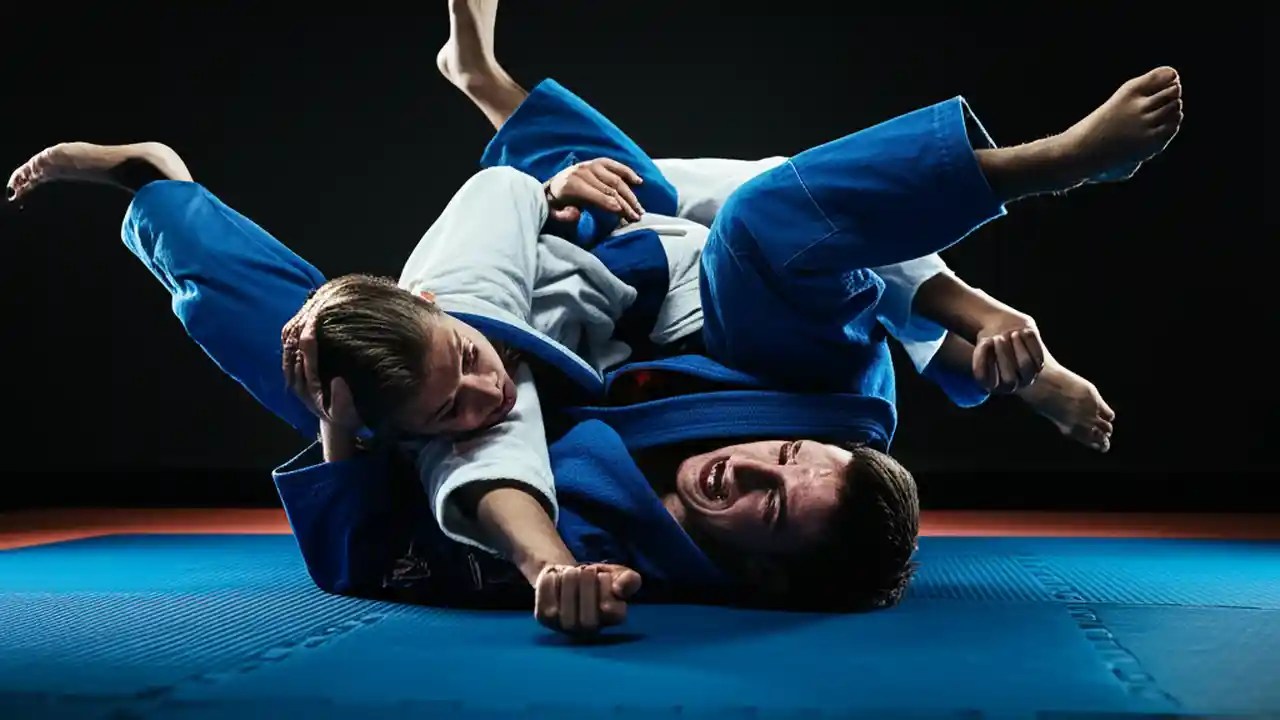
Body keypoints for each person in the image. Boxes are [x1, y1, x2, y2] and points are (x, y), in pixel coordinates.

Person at [5, 4, 1180, 633]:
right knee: (748, 209)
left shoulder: (632, 553)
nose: (746, 473)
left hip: (531, 336)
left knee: (303, 354)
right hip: (688, 292)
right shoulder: (821, 401)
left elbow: (401, 535)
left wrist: (350, 440)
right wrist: (969, 313)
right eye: (785, 462)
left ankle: (155, 181)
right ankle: (1033, 163)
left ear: (760, 576)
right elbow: (816, 233)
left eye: (765, 508)